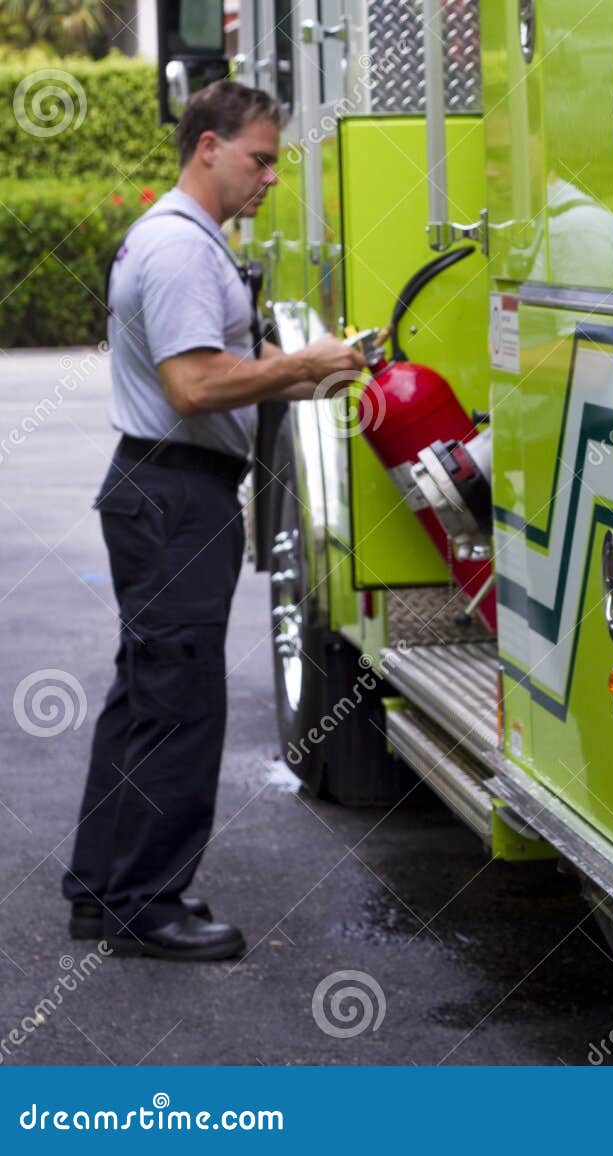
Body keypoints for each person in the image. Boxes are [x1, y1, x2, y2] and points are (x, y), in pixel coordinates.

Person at [60, 80, 364, 961]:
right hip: (176, 494)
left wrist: (317, 370)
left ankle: (97, 889)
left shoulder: (185, 241)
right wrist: (298, 364)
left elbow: (232, 365)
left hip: (162, 489)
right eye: (260, 158)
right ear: (208, 148)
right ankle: (147, 904)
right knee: (180, 703)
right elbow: (192, 384)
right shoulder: (183, 250)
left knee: (144, 696)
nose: (271, 175)